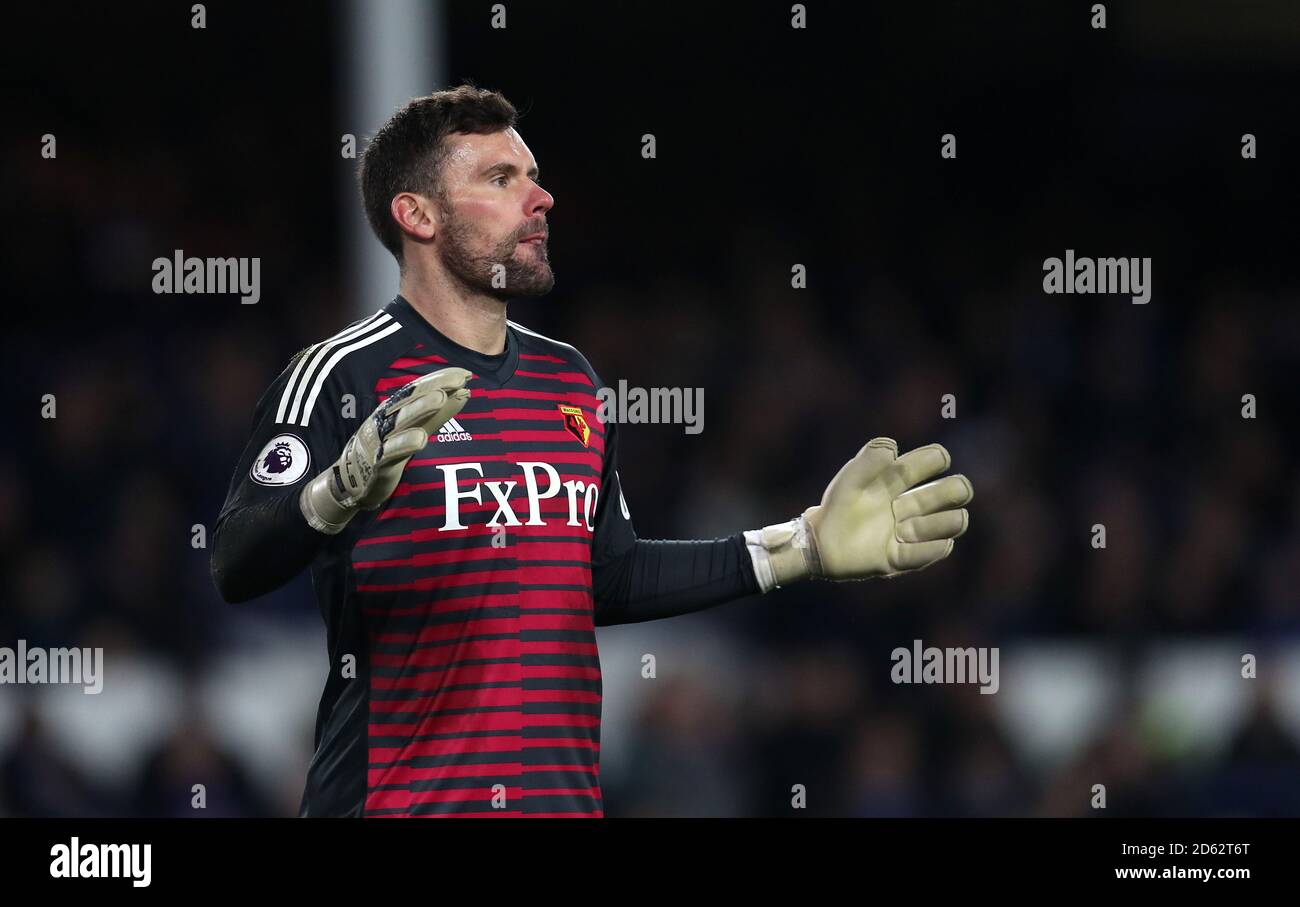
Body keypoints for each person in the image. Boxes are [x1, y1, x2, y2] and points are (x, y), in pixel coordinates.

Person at [210, 84, 974, 817]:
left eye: (535, 178)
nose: (540, 200)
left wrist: (798, 545)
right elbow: (237, 560)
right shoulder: (340, 374)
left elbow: (607, 573)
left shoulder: (568, 379)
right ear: (417, 214)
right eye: (501, 178)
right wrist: (333, 493)